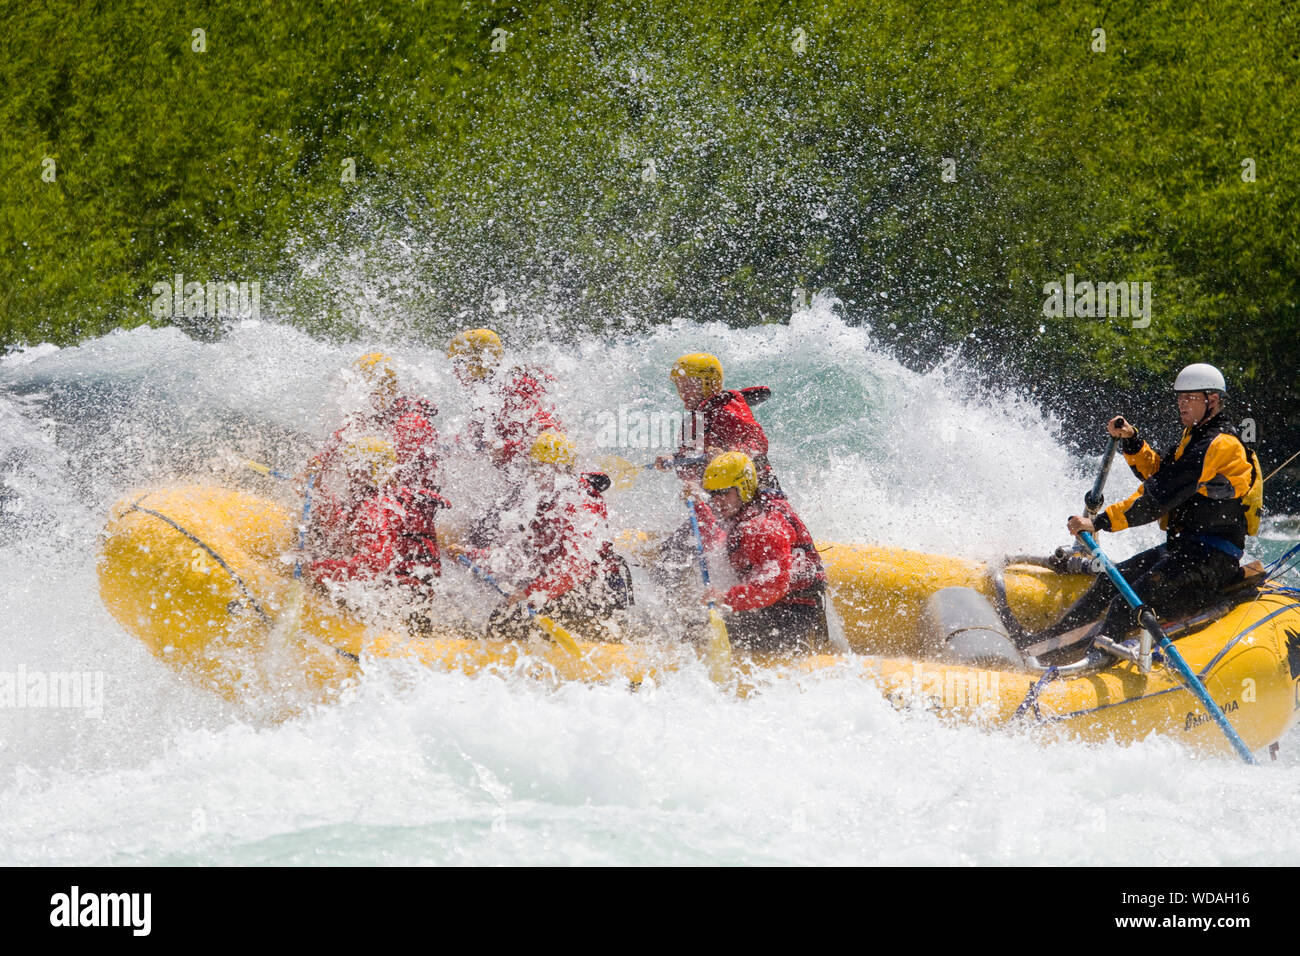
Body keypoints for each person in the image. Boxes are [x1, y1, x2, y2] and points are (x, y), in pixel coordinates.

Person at [1022, 363, 1263, 652]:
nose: (1181, 403)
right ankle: (1043, 643)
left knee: (1127, 602)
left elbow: (1157, 497)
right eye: (1179, 397)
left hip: (1212, 560)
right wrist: (1133, 442)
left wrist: (1098, 523)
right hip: (1184, 550)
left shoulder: (1220, 444)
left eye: (1190, 398)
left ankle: (1096, 658)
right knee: (1107, 583)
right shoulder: (1194, 437)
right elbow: (1160, 471)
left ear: (1211, 400)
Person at [455, 430, 632, 642]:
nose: (534, 474)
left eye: (539, 468)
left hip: (597, 589)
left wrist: (532, 592)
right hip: (564, 586)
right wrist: (473, 556)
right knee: (500, 622)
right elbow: (521, 557)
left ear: (558, 469)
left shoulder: (577, 502)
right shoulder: (542, 503)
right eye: (534, 467)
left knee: (507, 623)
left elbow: (578, 565)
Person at [696, 451, 828, 653]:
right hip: (775, 605)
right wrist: (698, 506)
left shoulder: (763, 526)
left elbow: (773, 587)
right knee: (696, 625)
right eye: (713, 494)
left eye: (724, 493)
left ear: (743, 488)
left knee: (699, 633)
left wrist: (726, 598)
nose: (717, 501)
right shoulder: (745, 512)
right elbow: (720, 541)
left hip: (793, 613)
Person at [307, 437, 450, 617]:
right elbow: (344, 536)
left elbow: (375, 561)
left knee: (321, 578)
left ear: (367, 470)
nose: (348, 472)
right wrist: (319, 492)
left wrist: (318, 570)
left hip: (397, 600)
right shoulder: (391, 498)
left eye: (353, 466)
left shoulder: (372, 507)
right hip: (417, 598)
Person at [306, 353, 441, 516]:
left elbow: (391, 479)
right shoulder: (369, 415)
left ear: (387, 389)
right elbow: (337, 443)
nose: (360, 399)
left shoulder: (411, 424)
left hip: (407, 511)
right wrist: (318, 464)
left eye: (366, 392)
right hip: (377, 501)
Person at [655, 352, 781, 496]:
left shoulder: (725, 408)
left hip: (757, 487)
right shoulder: (691, 420)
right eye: (679, 386)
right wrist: (674, 460)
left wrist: (728, 455)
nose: (683, 392)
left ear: (710, 383)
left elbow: (759, 443)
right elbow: (690, 456)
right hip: (722, 493)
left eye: (688, 386)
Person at [446, 328, 563, 467]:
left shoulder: (514, 389)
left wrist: (507, 448)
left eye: (458, 363)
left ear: (477, 363)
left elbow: (550, 434)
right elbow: (476, 436)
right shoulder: (484, 392)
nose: (454, 371)